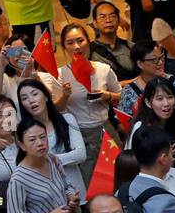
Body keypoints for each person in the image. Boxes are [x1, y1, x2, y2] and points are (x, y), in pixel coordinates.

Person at [42, 24, 122, 189]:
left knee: (117, 176)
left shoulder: (103, 69)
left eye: (80, 40)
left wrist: (106, 96)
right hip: (80, 133)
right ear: (64, 47)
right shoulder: (59, 75)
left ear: (88, 41)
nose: (77, 46)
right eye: (70, 43)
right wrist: (65, 95)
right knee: (90, 182)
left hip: (106, 129)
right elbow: (56, 110)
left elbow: (120, 98)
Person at [17, 78, 87, 197]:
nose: (31, 100)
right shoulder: (23, 131)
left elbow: (80, 154)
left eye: (34, 94)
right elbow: (26, 164)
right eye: (24, 98)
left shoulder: (67, 119)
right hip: (46, 197)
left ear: (46, 96)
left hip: (76, 191)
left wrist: (44, 159)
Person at [119, 42, 175, 120]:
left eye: (161, 58)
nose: (160, 63)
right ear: (140, 64)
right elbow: (124, 123)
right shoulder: (129, 91)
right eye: (154, 60)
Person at [89, 2, 136, 81]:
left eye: (112, 16)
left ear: (118, 21)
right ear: (95, 23)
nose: (108, 20)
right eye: (102, 17)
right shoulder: (89, 51)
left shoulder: (131, 47)